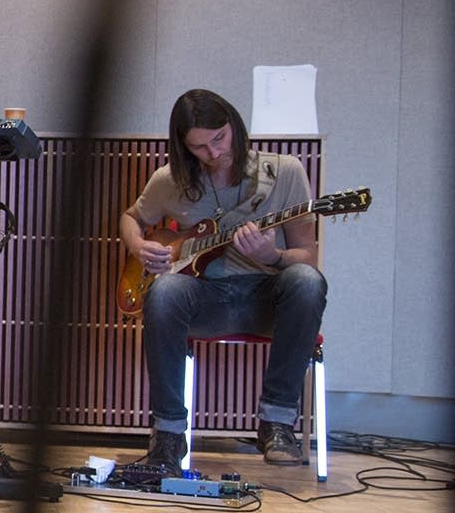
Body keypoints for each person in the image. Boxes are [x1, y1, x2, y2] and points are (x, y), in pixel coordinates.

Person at [119, 88, 327, 470]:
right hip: (206, 299)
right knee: (163, 291)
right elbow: (131, 217)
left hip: (267, 300)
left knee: (307, 280)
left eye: (220, 138)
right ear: (183, 146)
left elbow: (307, 255)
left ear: (234, 125)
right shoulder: (169, 180)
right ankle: (168, 435)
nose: (214, 152)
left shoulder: (285, 171)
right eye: (199, 146)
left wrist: (272, 255)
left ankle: (277, 423)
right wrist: (137, 245)